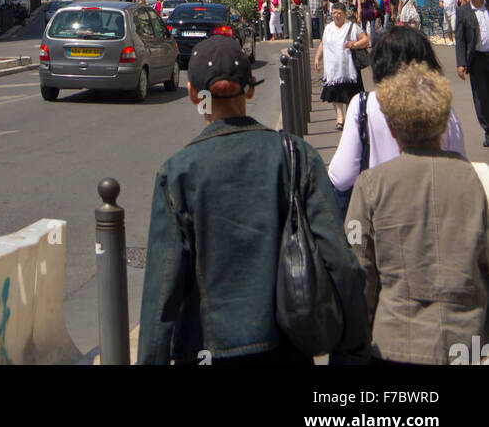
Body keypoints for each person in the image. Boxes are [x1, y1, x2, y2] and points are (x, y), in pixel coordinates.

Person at [136, 39, 370, 364]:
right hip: (287, 349)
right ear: (250, 91)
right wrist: (352, 352)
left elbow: (161, 298)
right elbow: (342, 263)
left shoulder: (177, 175)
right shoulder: (297, 157)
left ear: (193, 94)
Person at [347, 62, 489, 365]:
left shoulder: (371, 185)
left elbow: (358, 268)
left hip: (396, 341)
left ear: (393, 127)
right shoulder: (477, 180)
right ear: (443, 123)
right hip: (469, 342)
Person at [328, 24, 465, 195]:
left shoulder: (363, 105)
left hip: (381, 205)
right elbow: (460, 168)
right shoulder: (442, 106)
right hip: (437, 207)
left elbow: (341, 177)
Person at [313, 0, 370, 129]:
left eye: (338, 13)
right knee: (336, 95)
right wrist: (317, 58)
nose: (336, 16)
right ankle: (340, 118)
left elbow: (365, 40)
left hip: (349, 70)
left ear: (344, 14)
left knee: (351, 96)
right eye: (333, 13)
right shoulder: (328, 28)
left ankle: (350, 119)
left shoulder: (351, 27)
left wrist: (353, 45)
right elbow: (323, 43)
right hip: (333, 70)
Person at [456, 0, 489, 147]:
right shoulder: (463, 12)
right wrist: (460, 63)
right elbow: (460, 40)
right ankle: (488, 130)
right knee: (482, 97)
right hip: (476, 59)